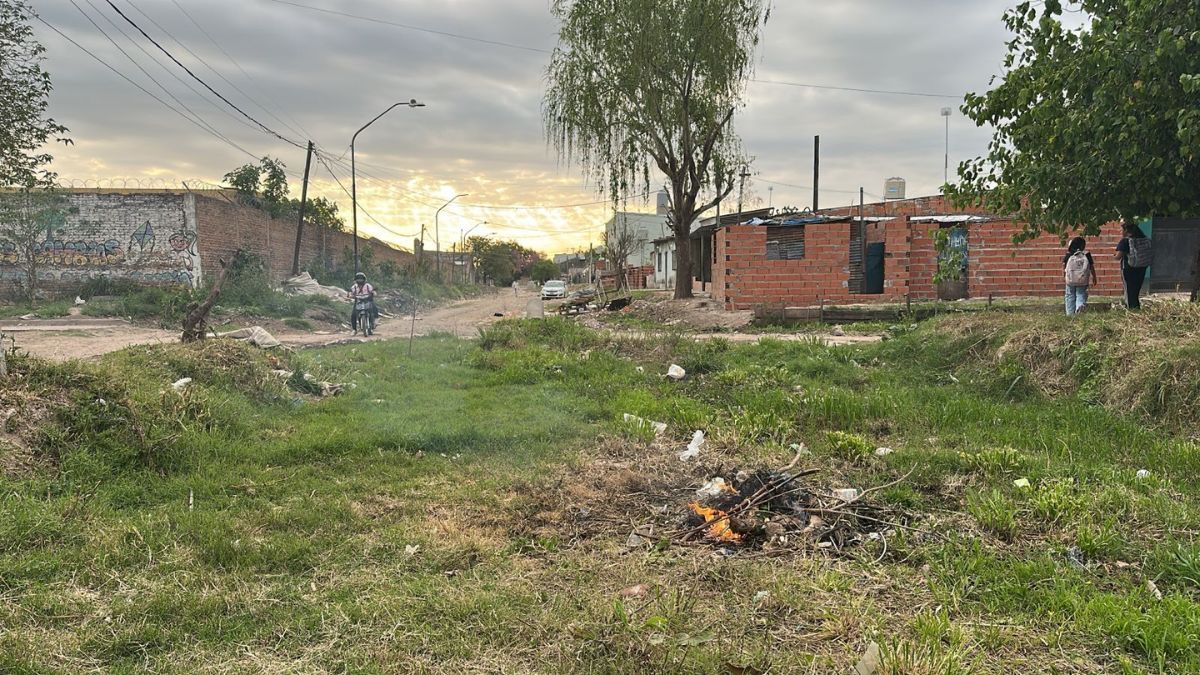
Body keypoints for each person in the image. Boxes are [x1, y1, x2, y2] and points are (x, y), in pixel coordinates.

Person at [1114, 220, 1152, 309]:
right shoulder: (1145, 239)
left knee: (1129, 290)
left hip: (1128, 269)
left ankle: (1131, 308)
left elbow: (1118, 257)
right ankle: (1136, 306)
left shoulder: (1125, 241)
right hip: (1142, 267)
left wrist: (1113, 256)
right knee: (1136, 289)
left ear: (1126, 230)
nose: (1120, 232)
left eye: (1121, 230)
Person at [1062, 236, 1098, 315]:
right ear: (1082, 245)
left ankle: (1070, 313)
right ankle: (1080, 306)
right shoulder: (1086, 254)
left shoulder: (1069, 254)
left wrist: (1064, 275)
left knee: (1070, 295)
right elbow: (1091, 266)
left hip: (1070, 279)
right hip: (1082, 279)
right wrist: (1094, 277)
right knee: (1081, 293)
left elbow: (1064, 266)